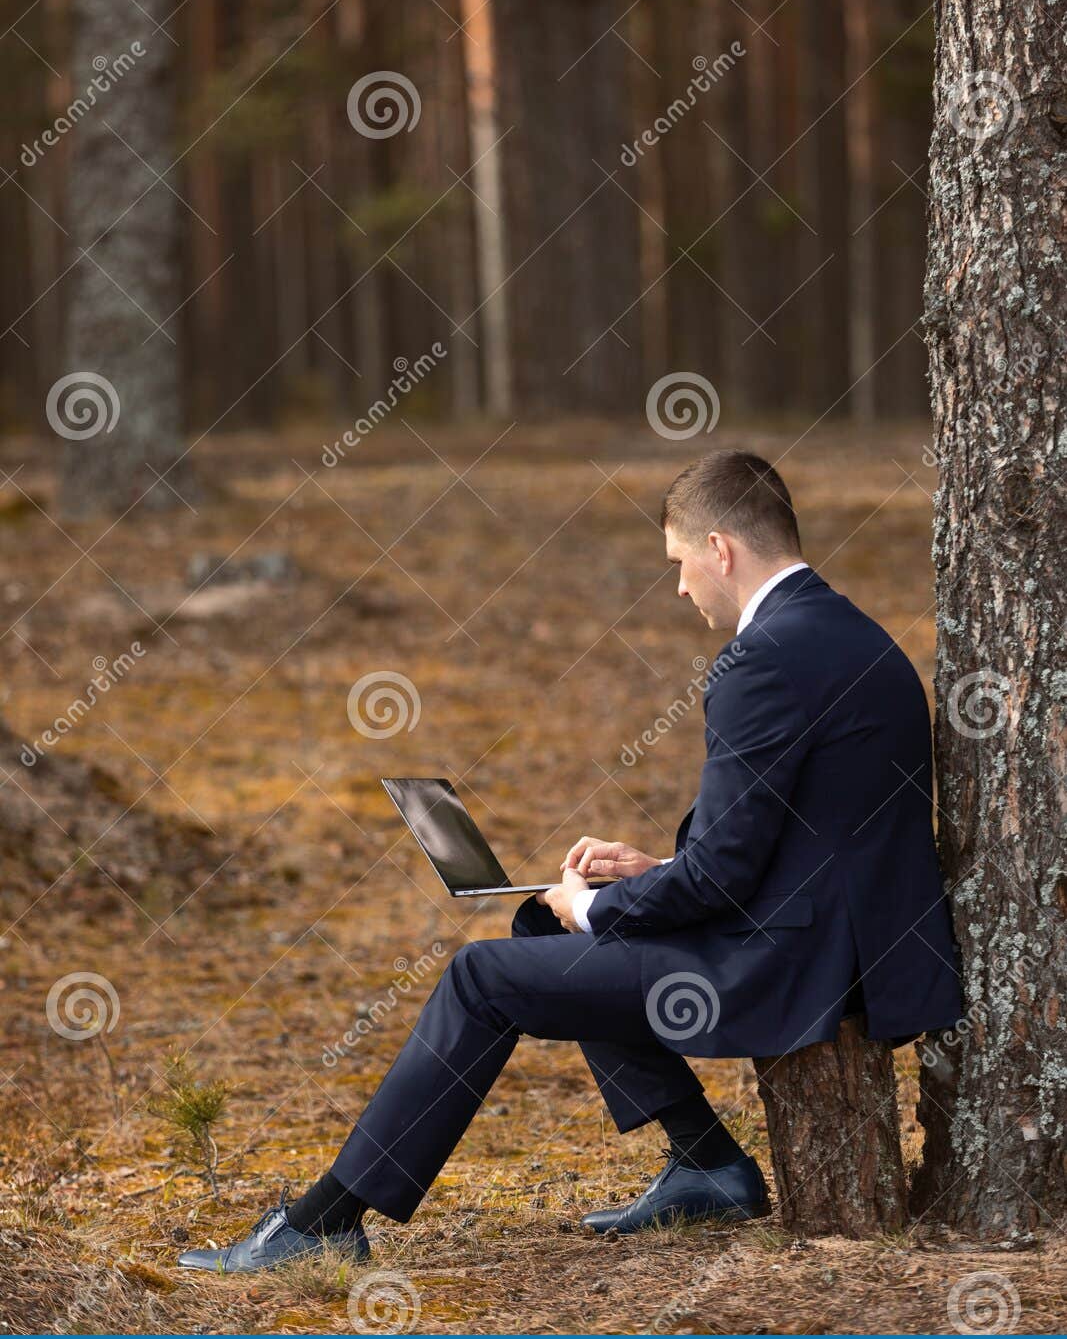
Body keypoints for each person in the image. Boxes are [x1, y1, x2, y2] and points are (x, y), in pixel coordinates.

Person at [178, 449, 962, 1273]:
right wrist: (650, 870)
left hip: (796, 964)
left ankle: (325, 1219)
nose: (679, 587)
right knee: (542, 924)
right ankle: (703, 1161)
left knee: (480, 978)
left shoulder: (761, 659)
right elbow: (802, 836)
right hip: (843, 946)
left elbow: (728, 873)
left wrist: (597, 906)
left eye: (679, 563)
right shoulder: (846, 632)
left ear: (720, 549)